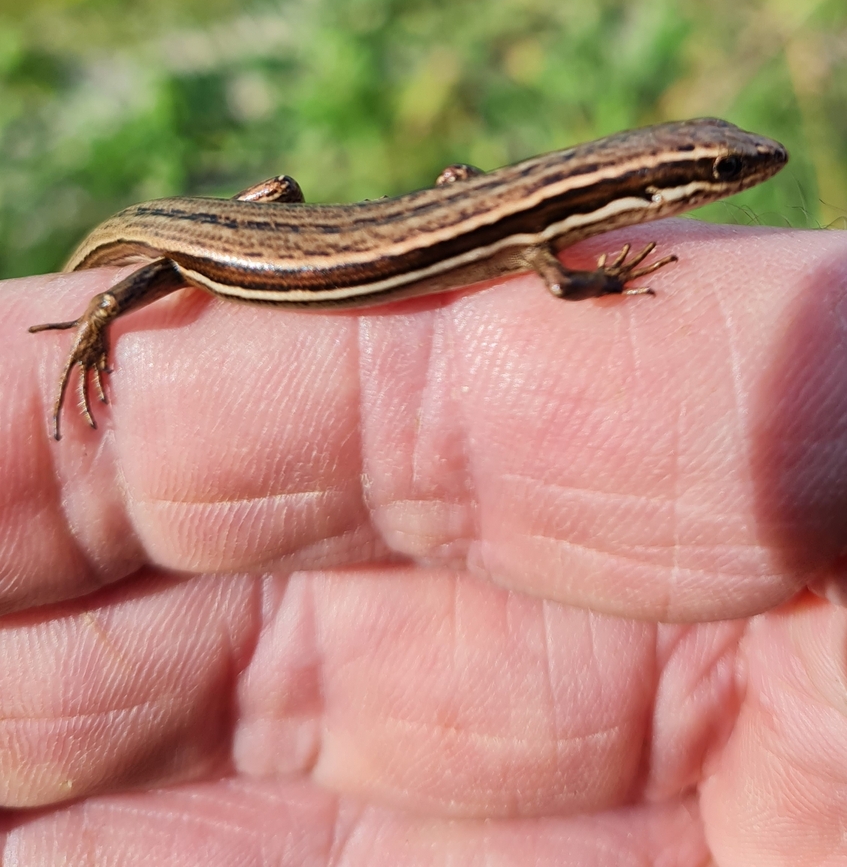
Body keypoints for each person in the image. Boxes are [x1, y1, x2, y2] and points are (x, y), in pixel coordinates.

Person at [3, 219, 847, 864]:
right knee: (120, 297)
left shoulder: (526, 231)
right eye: (720, 174)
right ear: (654, 196)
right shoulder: (536, 248)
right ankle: (90, 329)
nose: (746, 178)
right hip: (198, 254)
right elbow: (563, 286)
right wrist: (611, 281)